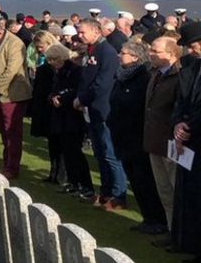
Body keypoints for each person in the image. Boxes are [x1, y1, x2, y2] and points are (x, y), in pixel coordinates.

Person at [108, 40, 167, 231]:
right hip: (122, 134)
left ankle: (157, 220)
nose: (119, 55)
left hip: (137, 136)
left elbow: (141, 107)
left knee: (145, 179)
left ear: (135, 57)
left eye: (123, 53)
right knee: (135, 178)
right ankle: (147, 218)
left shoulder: (143, 78)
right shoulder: (121, 76)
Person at [74, 18, 128, 208]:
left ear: (96, 32)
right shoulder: (91, 50)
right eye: (78, 32)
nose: (79, 36)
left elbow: (102, 84)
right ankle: (105, 192)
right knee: (99, 152)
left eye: (83, 32)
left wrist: (82, 99)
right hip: (91, 109)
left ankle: (119, 195)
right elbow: (86, 79)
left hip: (103, 109)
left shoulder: (107, 52)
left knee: (110, 153)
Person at [0, 20, 31, 180]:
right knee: (2, 129)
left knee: (12, 131)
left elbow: (11, 70)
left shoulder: (15, 43)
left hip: (11, 94)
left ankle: (12, 167)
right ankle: (6, 162)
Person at [145, 36, 183, 238]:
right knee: (165, 192)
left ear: (171, 53)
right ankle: (172, 232)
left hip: (172, 144)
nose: (151, 53)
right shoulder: (156, 74)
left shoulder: (179, 77)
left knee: (177, 192)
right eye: (151, 49)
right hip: (154, 141)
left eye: (156, 51)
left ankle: (181, 235)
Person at [44, 44, 94, 199]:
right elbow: (54, 89)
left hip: (73, 116)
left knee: (75, 152)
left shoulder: (75, 70)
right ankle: (73, 182)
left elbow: (77, 90)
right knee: (66, 151)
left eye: (53, 59)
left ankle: (85, 185)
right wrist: (53, 97)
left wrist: (62, 98)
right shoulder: (59, 72)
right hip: (61, 116)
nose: (51, 62)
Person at [171, 22, 201, 263]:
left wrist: (189, 127)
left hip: (197, 135)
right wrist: (179, 123)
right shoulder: (192, 66)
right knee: (188, 193)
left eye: (194, 45)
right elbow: (182, 99)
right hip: (188, 140)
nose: (192, 50)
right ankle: (186, 241)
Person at [29, 31, 63, 183]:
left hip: (55, 107)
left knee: (59, 142)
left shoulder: (58, 63)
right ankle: (53, 171)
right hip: (45, 105)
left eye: (41, 47)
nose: (39, 50)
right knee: (52, 142)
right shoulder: (46, 62)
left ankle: (61, 174)